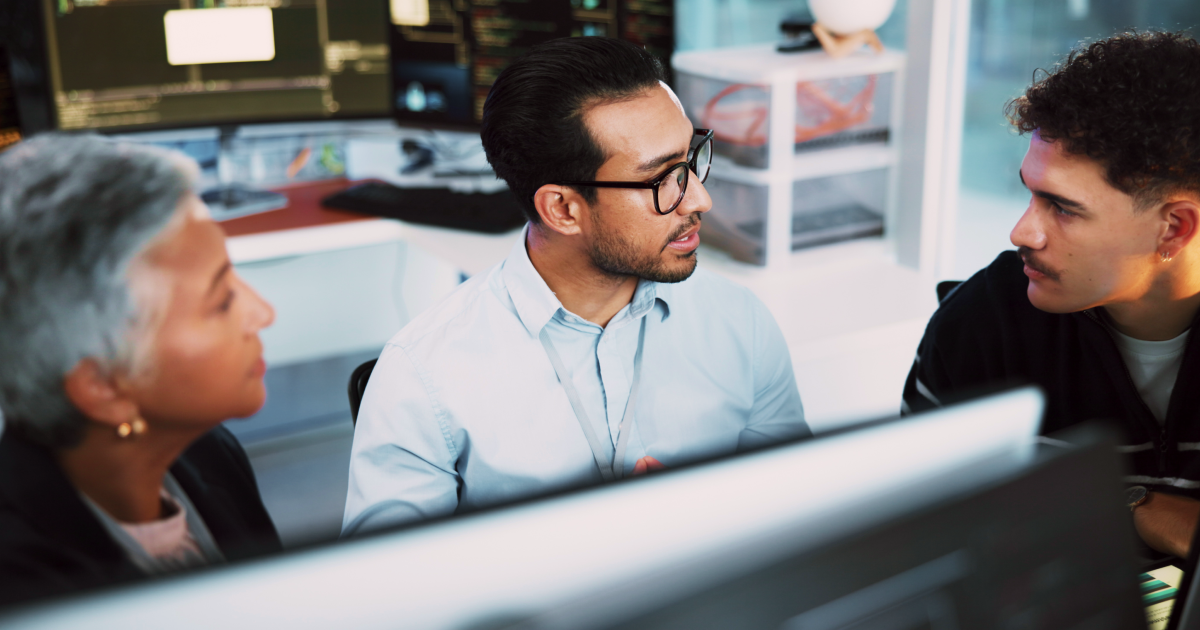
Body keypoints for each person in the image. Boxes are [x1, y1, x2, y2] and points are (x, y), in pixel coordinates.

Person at [343, 37, 810, 535]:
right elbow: (389, 592)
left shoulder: (739, 321)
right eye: (663, 179)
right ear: (563, 209)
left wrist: (700, 520)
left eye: (691, 159)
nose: (699, 198)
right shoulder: (422, 375)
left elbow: (800, 510)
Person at [902, 31, 1200, 559]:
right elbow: (921, 538)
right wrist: (1135, 502)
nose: (1021, 232)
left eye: (1063, 208)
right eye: (1029, 193)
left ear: (1174, 228)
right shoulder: (979, 325)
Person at [0, 134, 281, 606]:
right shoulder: (26, 590)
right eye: (222, 300)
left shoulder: (209, 452)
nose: (263, 312)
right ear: (105, 386)